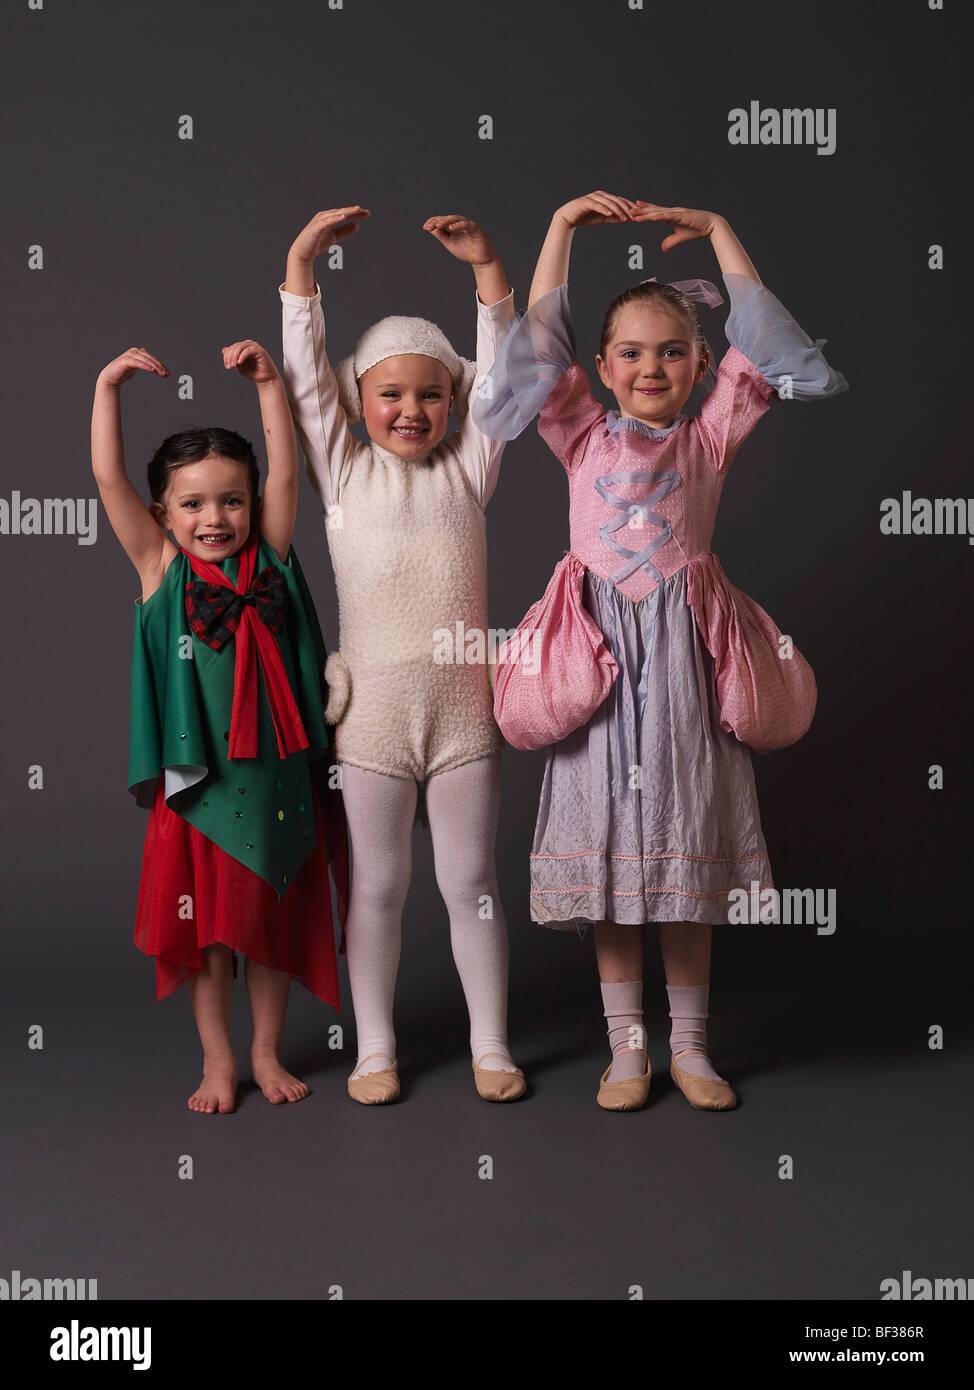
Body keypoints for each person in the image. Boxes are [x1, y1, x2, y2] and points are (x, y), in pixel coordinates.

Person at [472, 192, 847, 1112]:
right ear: (600, 367)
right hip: (595, 659)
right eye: (630, 353)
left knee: (679, 859)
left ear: (700, 364)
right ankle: (625, 1051)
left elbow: (771, 347)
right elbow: (535, 354)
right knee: (611, 864)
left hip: (684, 663)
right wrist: (558, 229)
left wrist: (724, 232)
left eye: (673, 351)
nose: (650, 366)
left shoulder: (710, 436)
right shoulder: (578, 432)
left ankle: (691, 1047)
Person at [279, 206, 525, 1104]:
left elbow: (505, 376)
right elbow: (305, 381)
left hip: (465, 712)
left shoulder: (472, 467)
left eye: (431, 394)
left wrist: (489, 270)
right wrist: (304, 263)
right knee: (378, 885)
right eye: (391, 394)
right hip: (374, 718)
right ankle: (374, 1049)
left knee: (471, 880)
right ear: (357, 403)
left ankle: (491, 1046)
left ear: (456, 403)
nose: (412, 410)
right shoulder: (343, 472)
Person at [90, 338, 349, 1114]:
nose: (216, 517)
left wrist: (270, 384)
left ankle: (268, 1054)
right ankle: (217, 1061)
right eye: (193, 504)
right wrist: (109, 388)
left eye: (232, 499)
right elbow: (107, 476)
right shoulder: (160, 570)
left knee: (272, 917)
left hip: (275, 779)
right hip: (200, 787)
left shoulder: (270, 556)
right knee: (206, 936)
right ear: (162, 513)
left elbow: (290, 467)